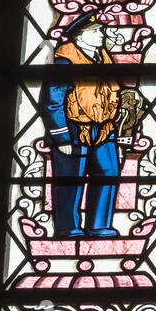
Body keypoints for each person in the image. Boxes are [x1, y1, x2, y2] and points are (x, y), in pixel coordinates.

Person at [39, 13, 124, 239]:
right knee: (71, 178)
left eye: (101, 31)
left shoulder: (103, 58)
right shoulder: (64, 62)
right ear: (79, 36)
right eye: (95, 31)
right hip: (74, 129)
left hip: (104, 128)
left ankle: (99, 226)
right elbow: (52, 101)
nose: (101, 35)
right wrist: (62, 137)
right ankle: (68, 228)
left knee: (108, 173)